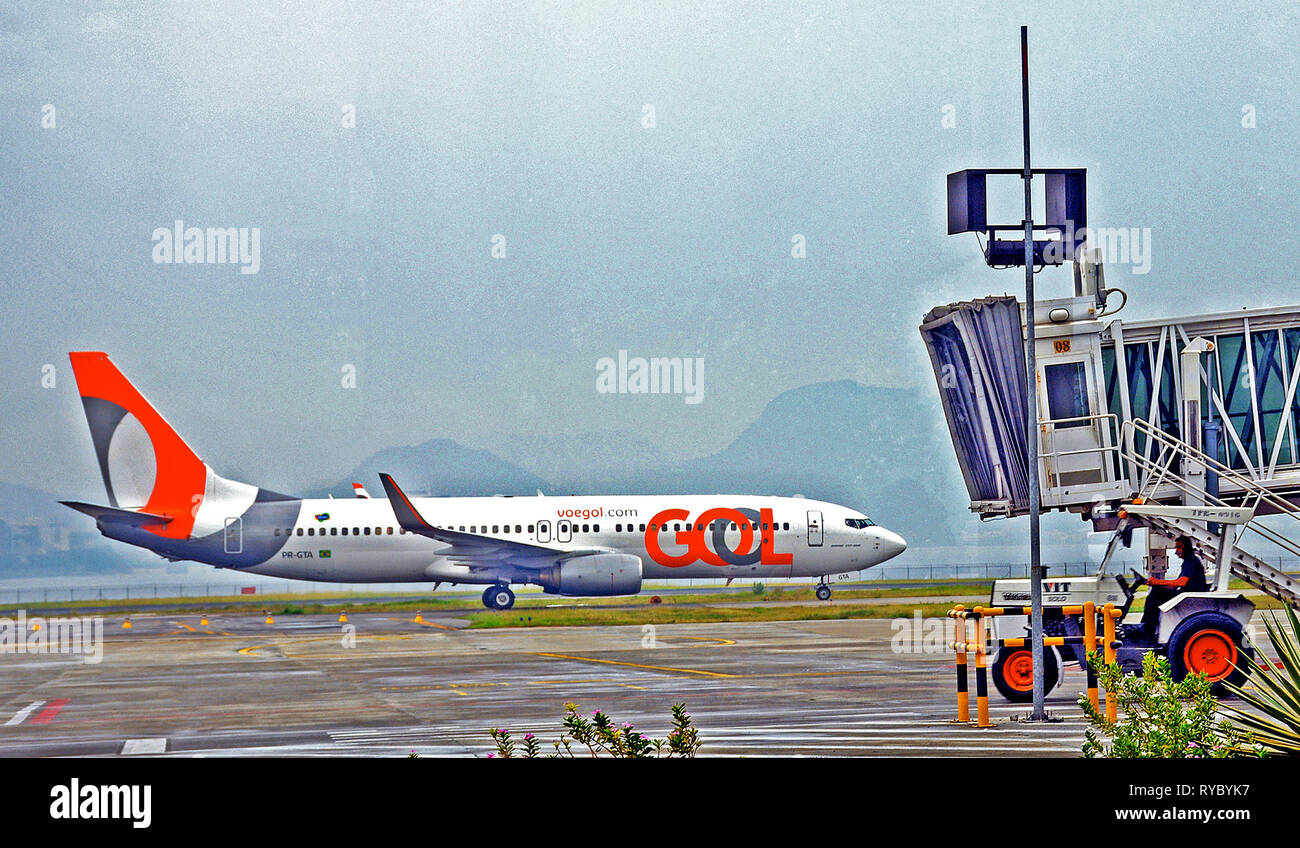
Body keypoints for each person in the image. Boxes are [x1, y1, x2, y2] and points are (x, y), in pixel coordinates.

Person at [1139, 535, 1209, 638]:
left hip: (1190, 597)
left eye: (1179, 547)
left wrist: (1157, 582)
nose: (1177, 551)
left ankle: (1147, 630)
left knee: (1156, 593)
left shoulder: (1191, 561)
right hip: (1187, 593)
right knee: (1158, 591)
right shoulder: (1190, 561)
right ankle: (1147, 626)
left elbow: (1181, 583)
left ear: (1186, 547)